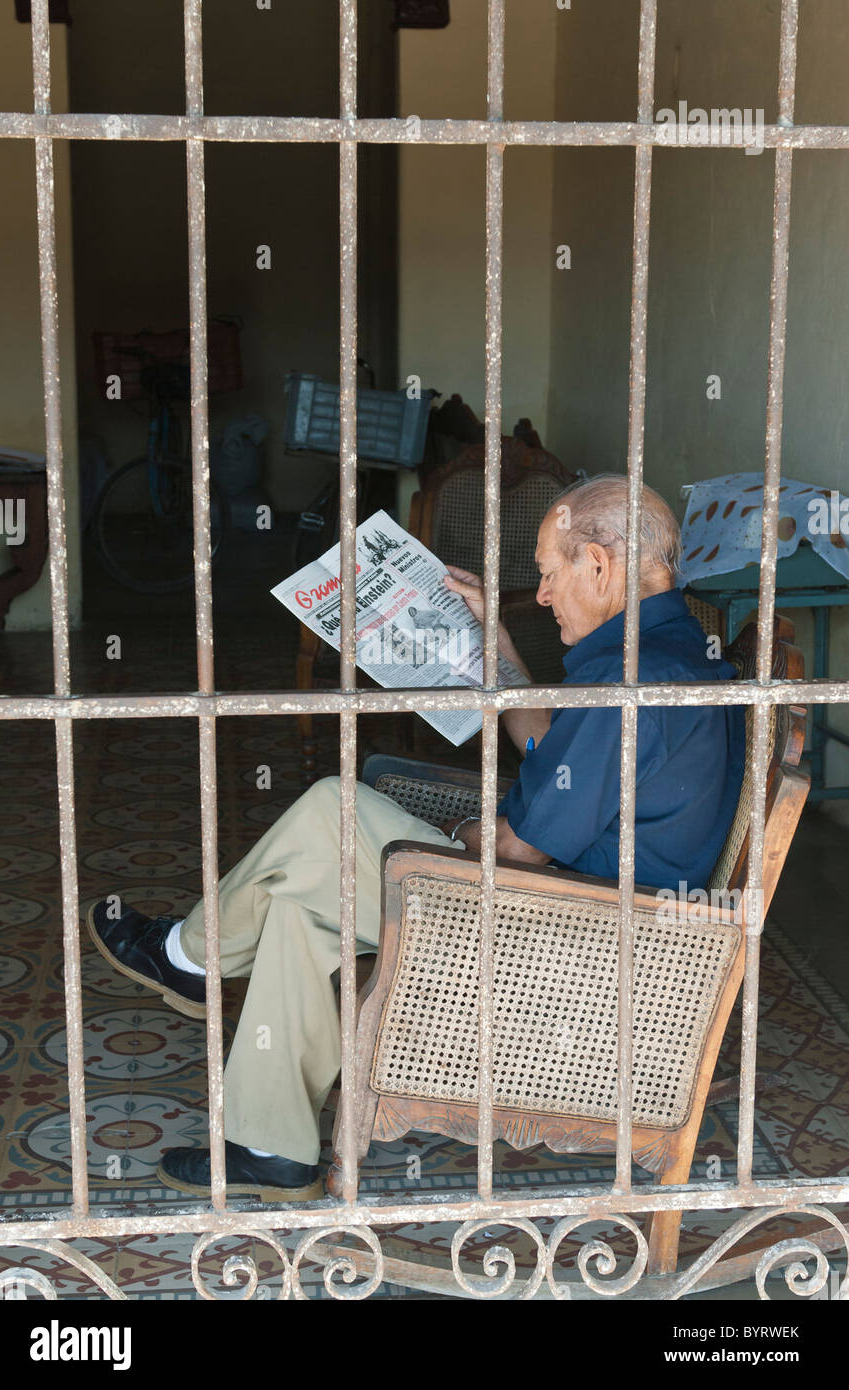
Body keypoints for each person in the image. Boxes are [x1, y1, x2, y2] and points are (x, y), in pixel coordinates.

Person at [86, 475, 745, 1201]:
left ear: (598, 564)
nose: (544, 594)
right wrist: (493, 645)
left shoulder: (632, 687)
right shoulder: (668, 656)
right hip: (598, 919)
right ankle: (268, 1147)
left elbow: (518, 848)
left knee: (330, 810)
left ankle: (190, 956)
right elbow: (552, 752)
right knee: (298, 907)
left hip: (571, 946)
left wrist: (465, 829)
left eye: (548, 573)